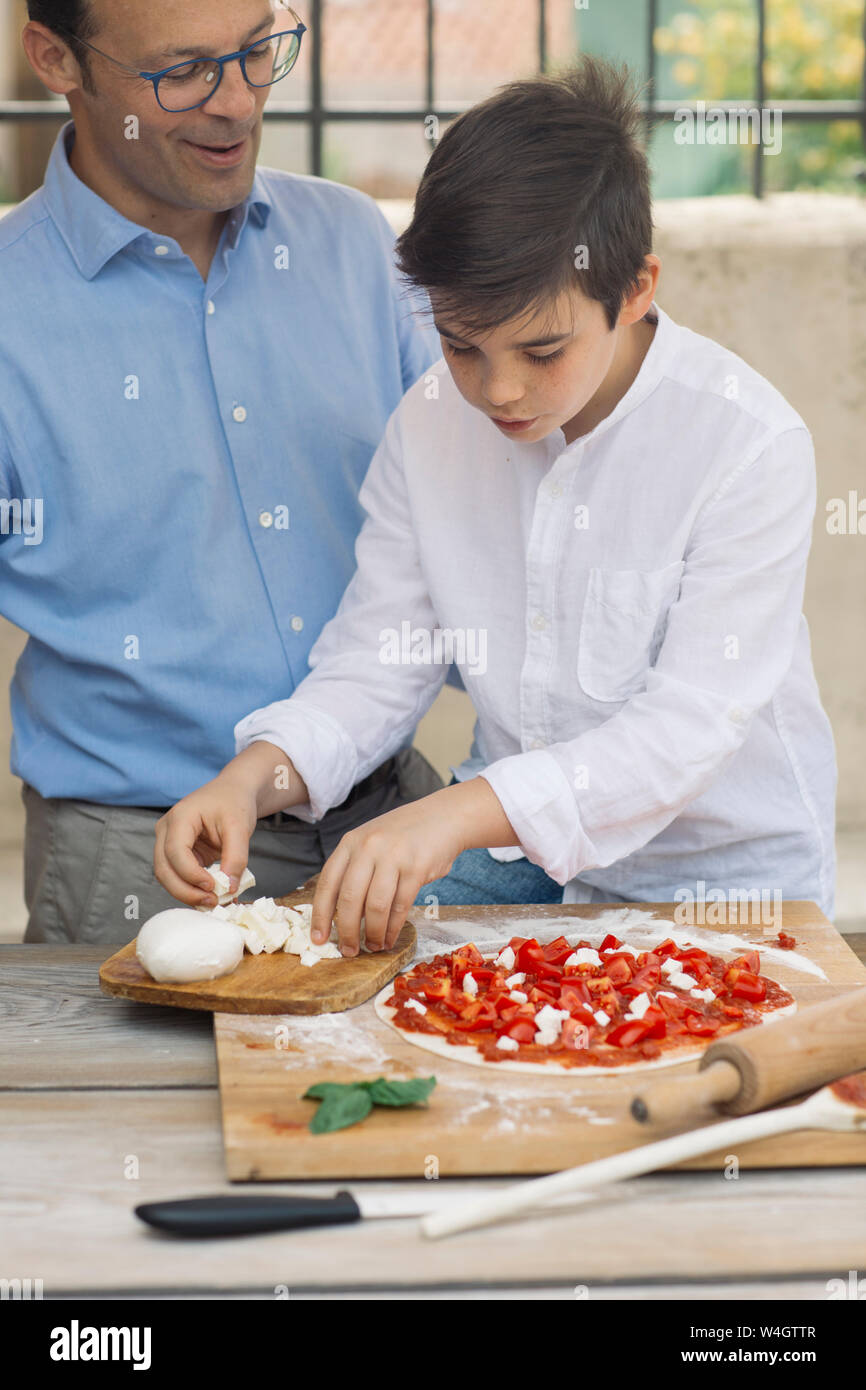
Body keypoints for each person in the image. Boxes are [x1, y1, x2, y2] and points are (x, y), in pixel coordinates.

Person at [156, 57, 837, 957]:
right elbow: (376, 662)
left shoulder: (748, 445)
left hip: (722, 876)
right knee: (332, 981)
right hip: (515, 854)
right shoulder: (429, 424)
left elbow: (685, 732)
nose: (498, 391)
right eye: (460, 344)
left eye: (542, 349)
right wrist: (250, 779)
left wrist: (449, 816)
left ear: (635, 288)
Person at [2, 0, 445, 944]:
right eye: (184, 72)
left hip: (393, 825)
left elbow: (477, 510)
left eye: (256, 53)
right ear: (55, 58)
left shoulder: (356, 245)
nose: (238, 104)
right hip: (148, 862)